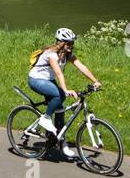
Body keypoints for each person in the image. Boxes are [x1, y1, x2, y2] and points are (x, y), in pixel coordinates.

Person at [28, 27, 100, 159]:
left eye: (72, 43)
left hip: (48, 81)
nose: (71, 46)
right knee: (59, 95)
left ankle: (61, 142)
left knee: (60, 108)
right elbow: (58, 73)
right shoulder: (51, 54)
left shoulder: (68, 55)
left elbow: (81, 66)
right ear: (61, 43)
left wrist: (95, 80)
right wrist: (65, 90)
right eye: (69, 43)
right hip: (36, 80)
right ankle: (46, 118)